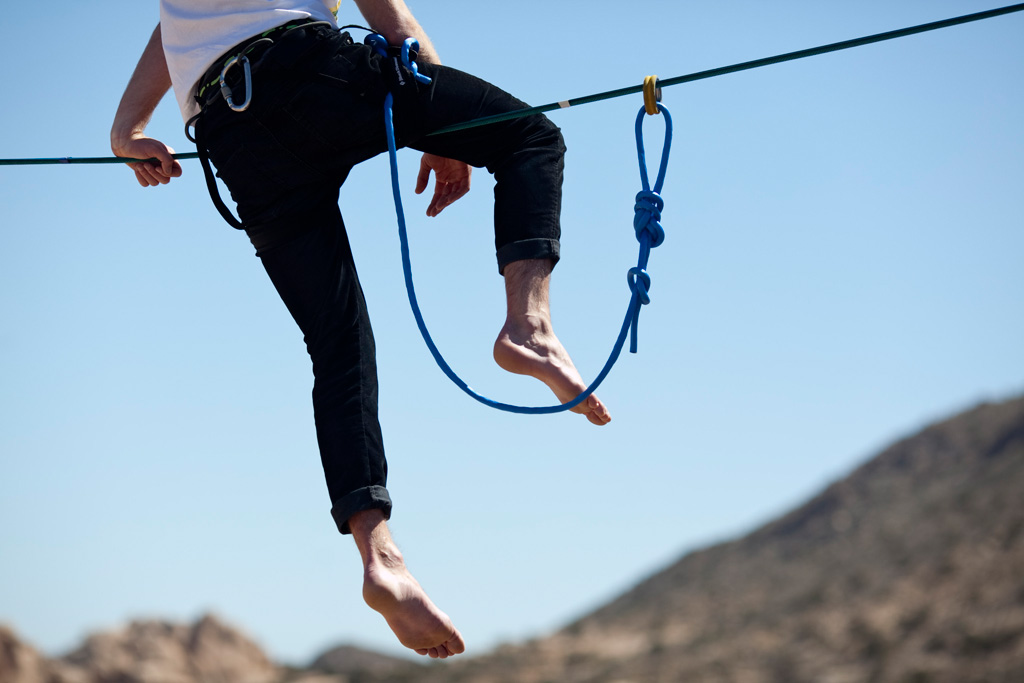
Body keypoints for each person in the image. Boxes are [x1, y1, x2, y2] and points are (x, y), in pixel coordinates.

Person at [111, 0, 611, 659]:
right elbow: (395, 25)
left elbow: (175, 28)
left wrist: (127, 129)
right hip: (313, 72)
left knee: (337, 344)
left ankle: (380, 558)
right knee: (525, 136)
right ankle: (529, 325)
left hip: (234, 135)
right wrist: (441, 134)